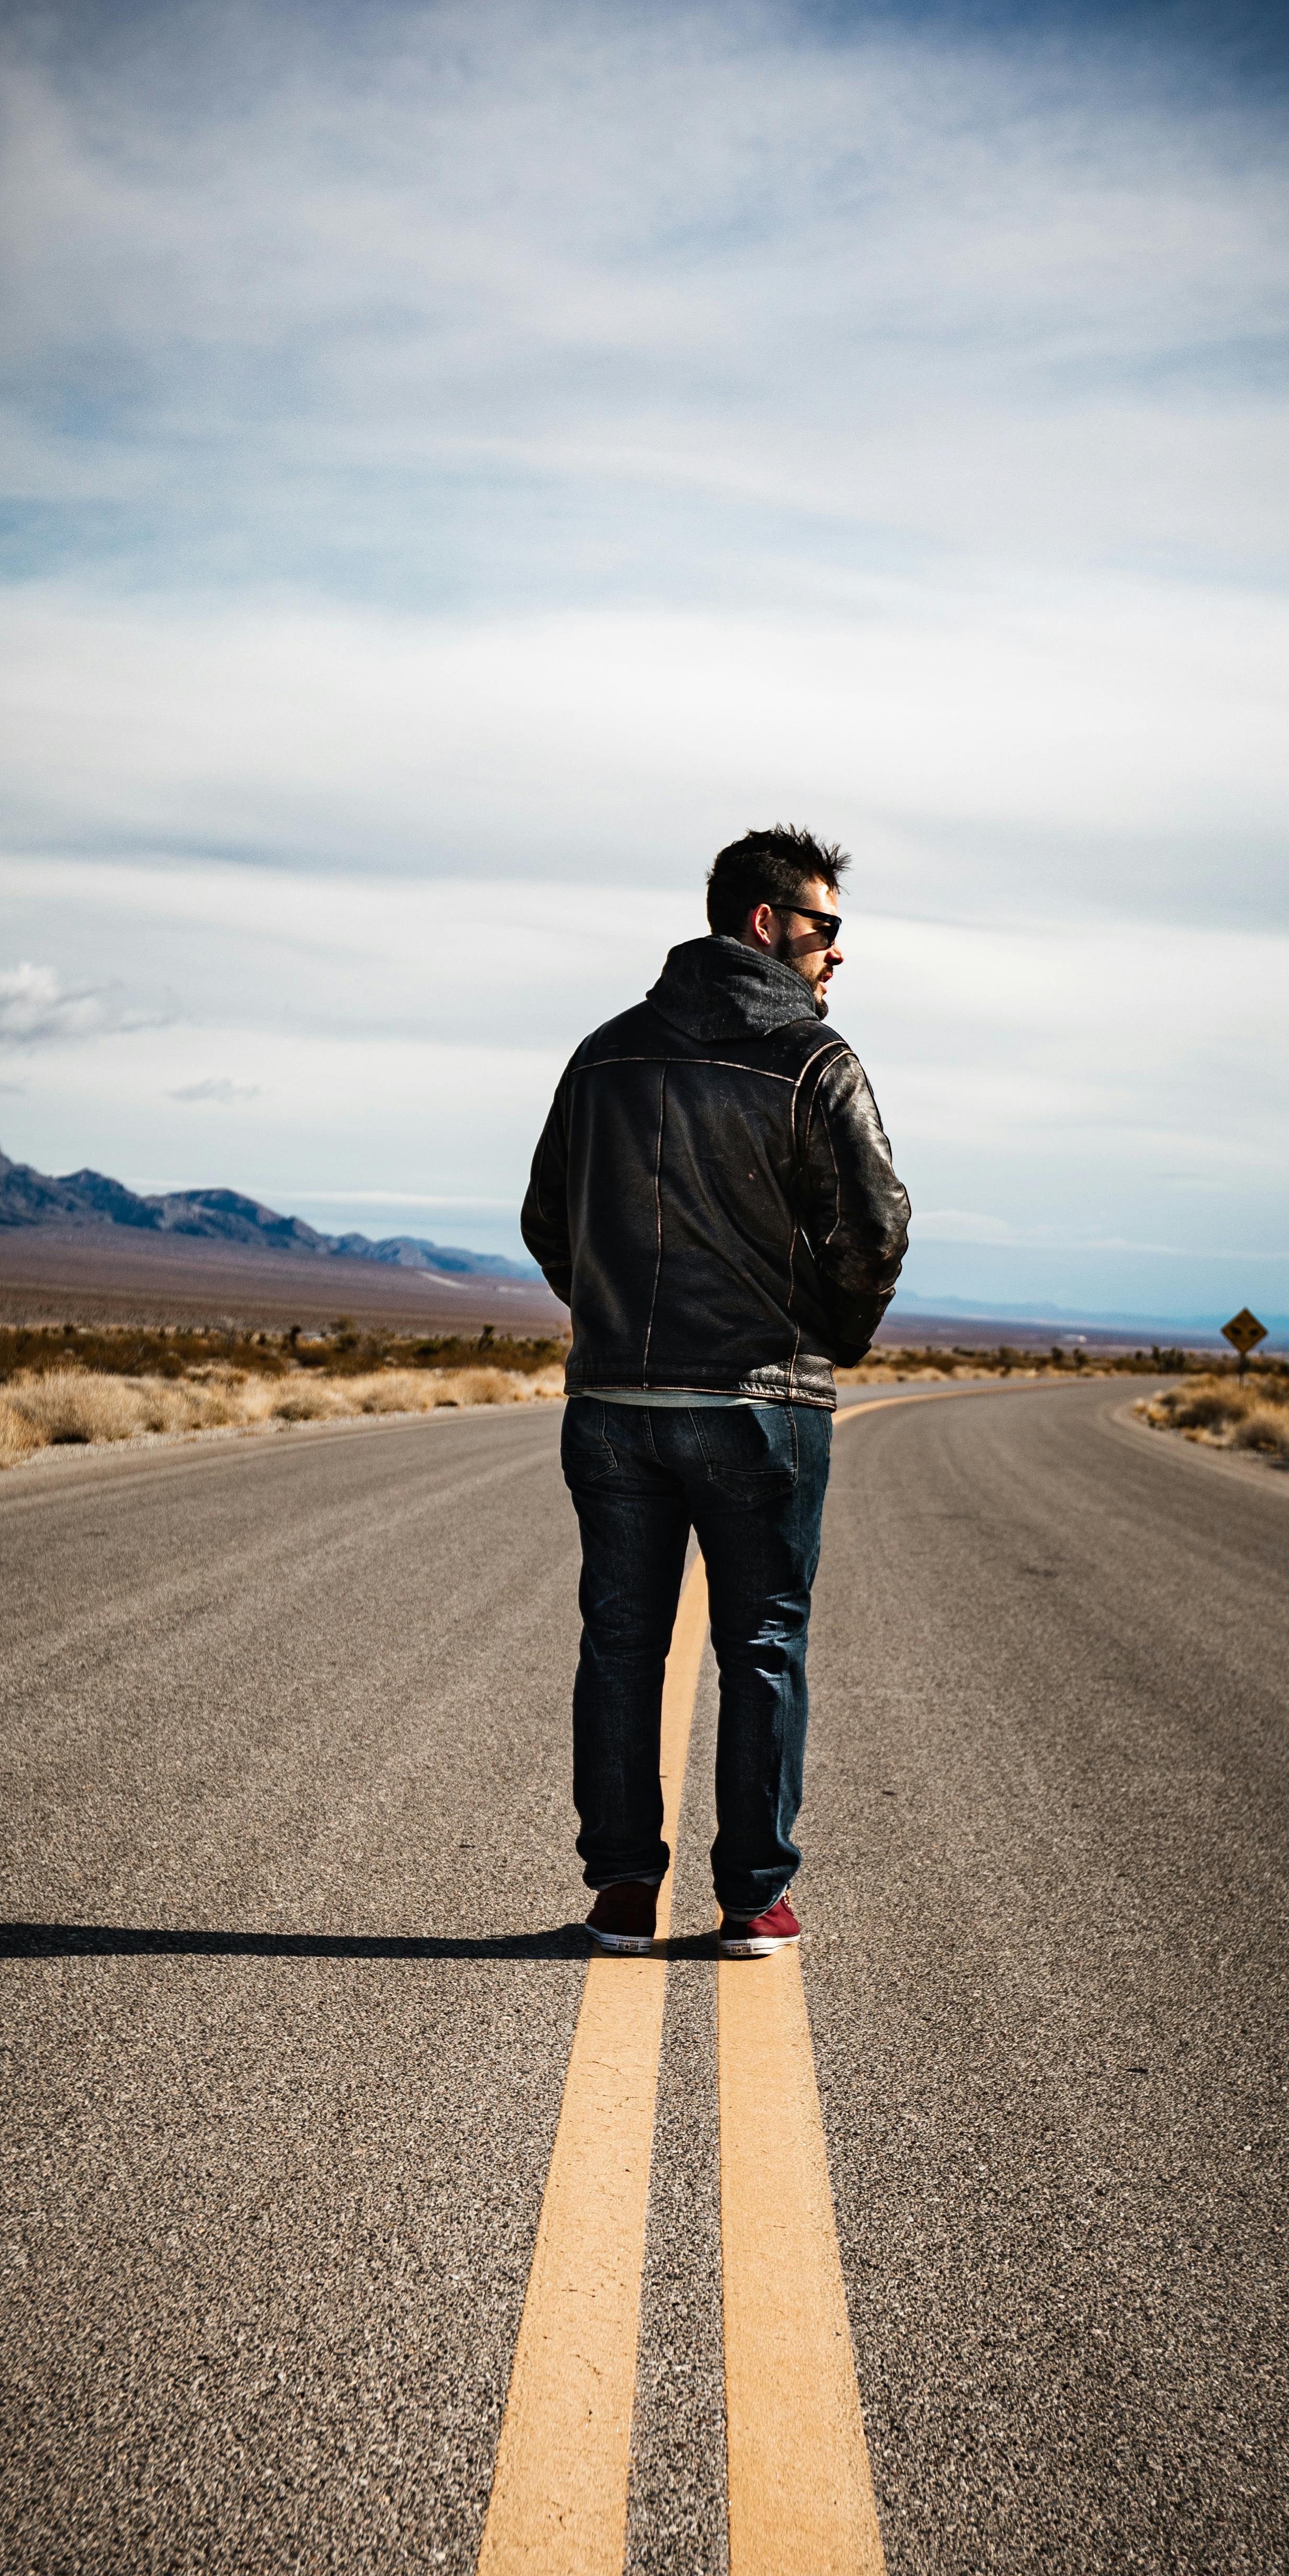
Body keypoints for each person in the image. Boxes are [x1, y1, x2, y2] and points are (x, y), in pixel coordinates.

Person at [521, 823, 911, 1958]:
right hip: (758, 1406)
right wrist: (821, 1339)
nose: (839, 954)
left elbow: (549, 1219)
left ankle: (623, 1895)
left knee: (620, 1645)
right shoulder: (811, 1061)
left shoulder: (602, 1054)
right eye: (826, 928)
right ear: (766, 923)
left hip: (612, 1409)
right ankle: (751, 1901)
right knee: (762, 1648)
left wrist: (605, 1319)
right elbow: (875, 1227)